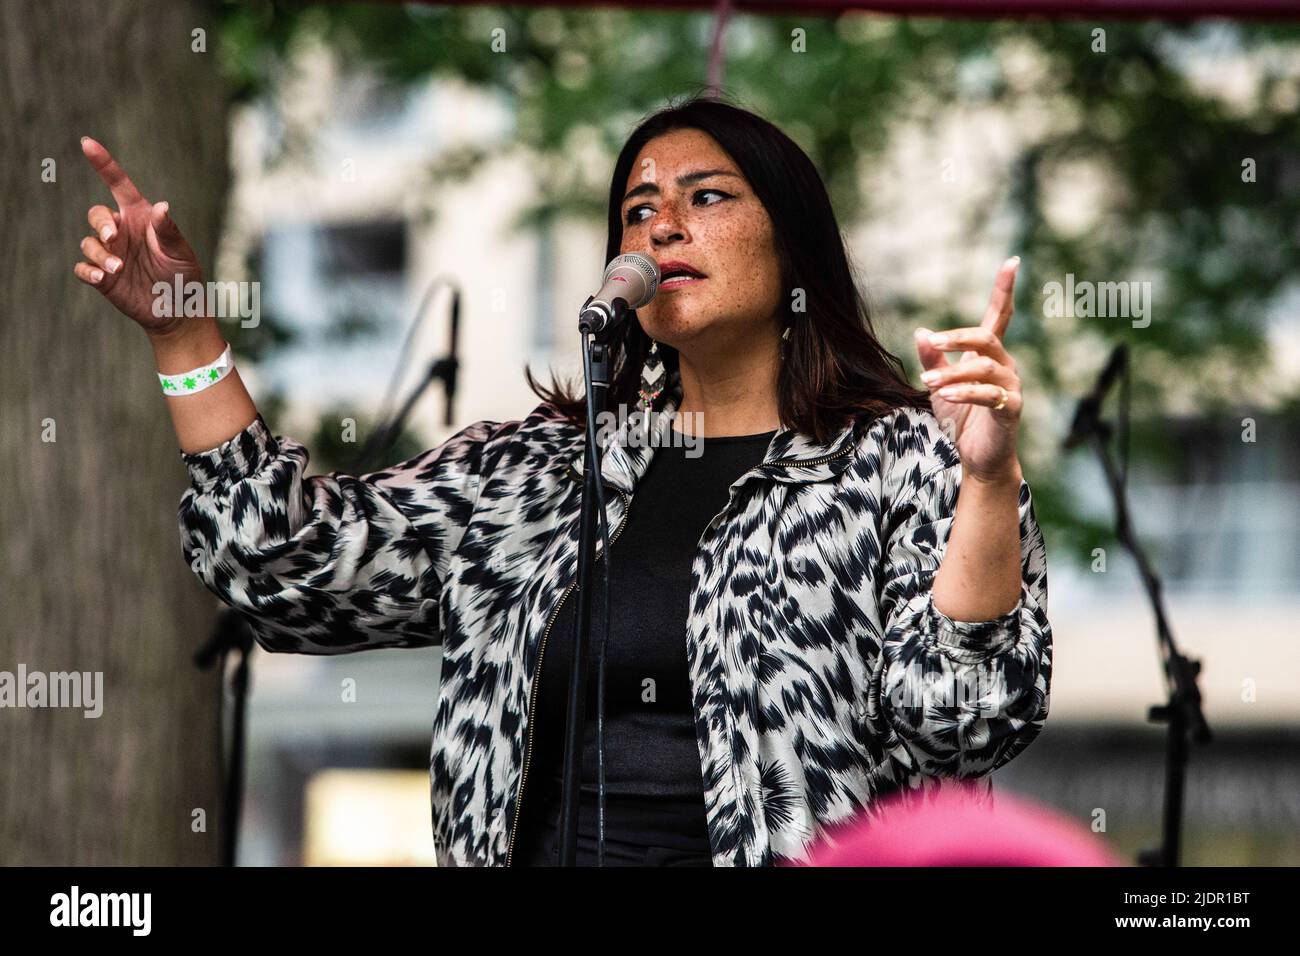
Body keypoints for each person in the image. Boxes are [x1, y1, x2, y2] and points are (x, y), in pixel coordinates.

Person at [73, 94, 1052, 868]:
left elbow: (966, 717)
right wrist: (187, 335)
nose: (662, 224)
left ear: (791, 242)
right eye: (637, 208)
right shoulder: (533, 475)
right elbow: (281, 567)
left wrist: (987, 475)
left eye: (706, 196)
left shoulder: (900, 459)